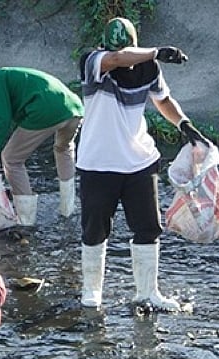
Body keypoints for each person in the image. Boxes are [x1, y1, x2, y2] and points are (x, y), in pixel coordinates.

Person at [76, 17, 209, 311]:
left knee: (148, 228)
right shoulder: (94, 61)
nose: (123, 57)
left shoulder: (148, 68)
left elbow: (163, 100)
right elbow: (116, 58)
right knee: (95, 229)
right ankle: (92, 291)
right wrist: (156, 51)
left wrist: (186, 127)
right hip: (98, 164)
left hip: (140, 162)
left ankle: (148, 291)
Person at [0, 67, 84, 226]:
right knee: (63, 148)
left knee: (11, 158)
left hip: (45, 109)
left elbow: (2, 121)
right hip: (74, 108)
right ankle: (68, 210)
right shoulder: (13, 78)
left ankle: (26, 221)